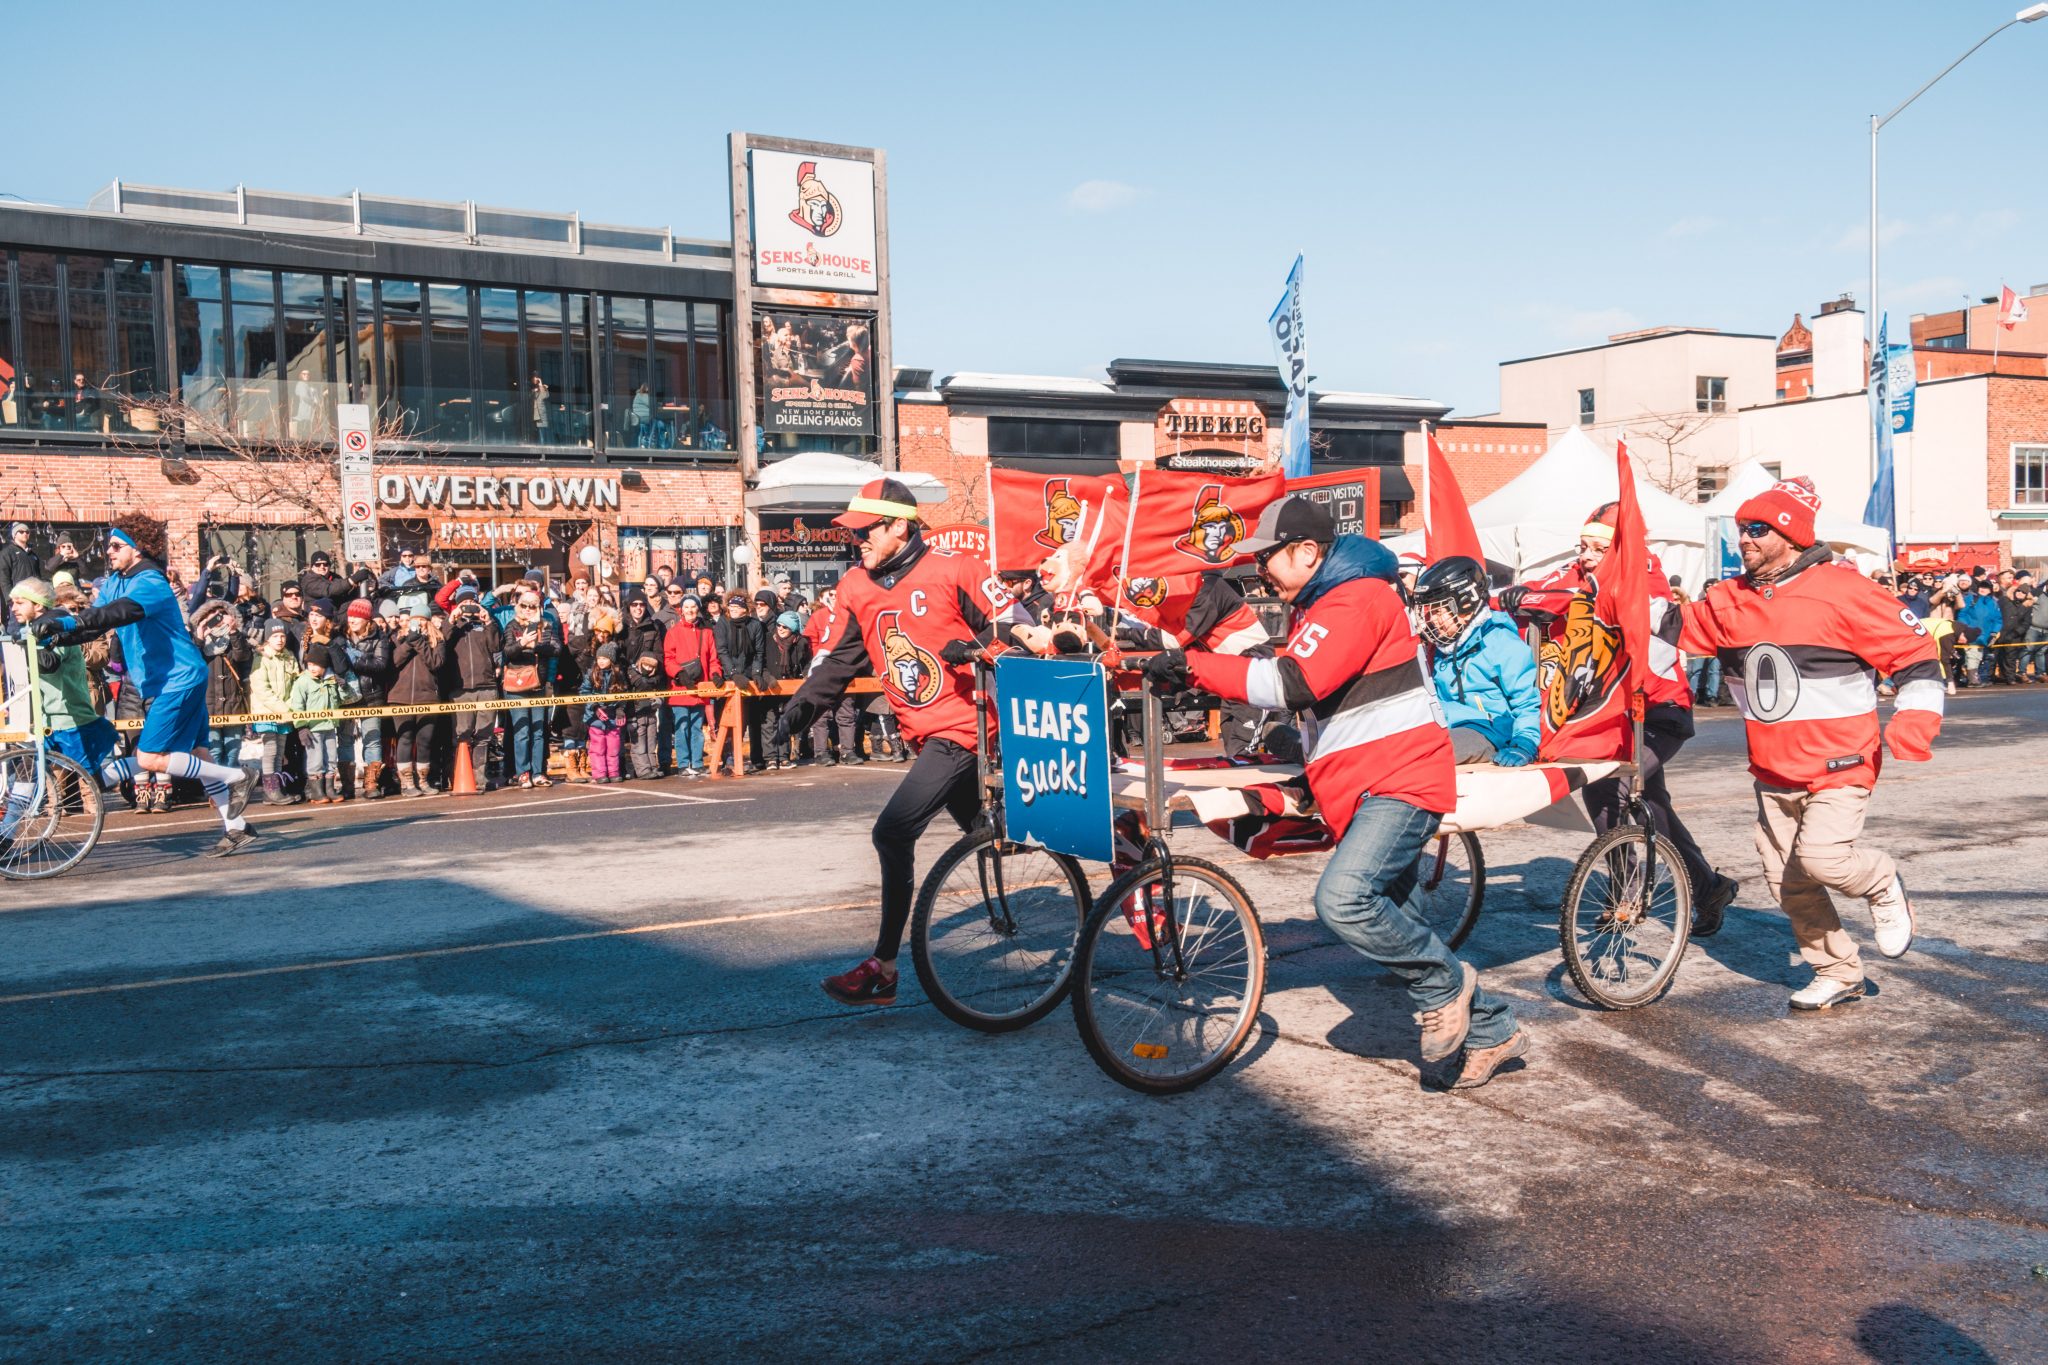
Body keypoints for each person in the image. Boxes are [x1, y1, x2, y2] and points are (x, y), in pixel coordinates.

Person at [1145, 497, 1527, 1087]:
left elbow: (1296, 682)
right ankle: (1494, 1030)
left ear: (1305, 551)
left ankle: (1445, 988)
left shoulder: (1358, 597)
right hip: (1364, 787)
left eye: (1267, 557)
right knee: (1402, 922)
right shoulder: (1327, 602)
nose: (1259, 570)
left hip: (1400, 782)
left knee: (1343, 901)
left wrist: (1192, 665)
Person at [1657, 479, 1939, 1011]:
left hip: (1841, 761)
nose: (1746, 539)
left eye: (1759, 529)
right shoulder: (1729, 599)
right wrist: (1606, 593)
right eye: (1742, 529)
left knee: (1824, 860)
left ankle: (1881, 881)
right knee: (1788, 881)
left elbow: (1916, 655)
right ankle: (1837, 971)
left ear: (1790, 535)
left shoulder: (1845, 589)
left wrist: (1915, 717)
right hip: (1772, 770)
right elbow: (1667, 627)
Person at [778, 479, 1031, 1005]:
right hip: (922, 733)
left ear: (899, 524)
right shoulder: (855, 586)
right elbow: (838, 659)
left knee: (892, 834)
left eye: (866, 530)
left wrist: (981, 646)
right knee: (989, 834)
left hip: (965, 727)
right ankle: (1057, 845)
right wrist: (802, 706)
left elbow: (1019, 625)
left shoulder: (955, 568)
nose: (858, 542)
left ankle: (884, 968)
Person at [1499, 504, 1738, 932]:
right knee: (1650, 803)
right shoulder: (1578, 571)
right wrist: (1509, 594)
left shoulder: (1645, 575)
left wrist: (1547, 599)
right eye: (1583, 546)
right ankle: (1707, 887)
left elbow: (1598, 603)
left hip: (1658, 711)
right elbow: (1532, 590)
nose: (1586, 556)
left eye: (1598, 548)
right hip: (1608, 714)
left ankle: (1627, 891)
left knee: (1615, 789)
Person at [42, 520, 258, 852]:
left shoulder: (150, 582)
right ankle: (236, 826)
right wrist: (59, 631)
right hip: (170, 679)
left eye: (116, 546)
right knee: (199, 753)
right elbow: (96, 621)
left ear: (136, 547)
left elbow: (119, 613)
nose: (108, 552)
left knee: (150, 755)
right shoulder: (117, 581)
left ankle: (237, 776)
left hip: (178, 679)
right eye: (107, 546)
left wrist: (66, 621)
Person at [5, 581, 120, 828]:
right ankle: (7, 835)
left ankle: (151, 761)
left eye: (20, 602)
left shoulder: (55, 627)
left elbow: (49, 664)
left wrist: (27, 642)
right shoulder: (32, 628)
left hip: (71, 719)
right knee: (26, 774)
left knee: (96, 778)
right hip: (47, 720)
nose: (13, 607)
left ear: (38, 605)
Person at [1411, 556, 1539, 767]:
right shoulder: (1442, 648)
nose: (1431, 620)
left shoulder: (1501, 644)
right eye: (1429, 612)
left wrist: (1525, 742)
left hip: (1487, 730)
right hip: (1445, 728)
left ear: (1465, 604)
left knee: (1426, 755)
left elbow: (1526, 702)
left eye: (1438, 610)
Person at [443, 585, 502, 789]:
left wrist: (489, 622)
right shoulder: (452, 624)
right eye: (464, 603)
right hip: (460, 688)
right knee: (462, 734)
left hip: (486, 685)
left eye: (472, 602)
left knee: (484, 735)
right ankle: (459, 775)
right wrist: (452, 619)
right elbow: (442, 643)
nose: (468, 606)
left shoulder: (484, 624)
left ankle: (480, 776)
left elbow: (495, 646)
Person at [336, 599, 394, 799]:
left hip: (371, 695)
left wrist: (354, 657)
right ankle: (347, 785)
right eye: (350, 616)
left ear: (366, 619)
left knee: (372, 740)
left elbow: (380, 666)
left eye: (357, 617)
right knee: (344, 740)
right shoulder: (341, 636)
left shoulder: (379, 637)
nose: (352, 620)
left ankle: (371, 783)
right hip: (346, 697)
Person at [388, 605, 445, 797]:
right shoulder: (397, 638)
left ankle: (423, 780)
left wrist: (420, 642)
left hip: (427, 697)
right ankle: (407, 783)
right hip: (400, 698)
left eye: (422, 619)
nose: (418, 622)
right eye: (415, 618)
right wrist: (408, 643)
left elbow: (435, 663)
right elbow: (394, 662)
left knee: (425, 740)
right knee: (404, 738)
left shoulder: (437, 640)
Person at [663, 593, 722, 778]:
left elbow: (713, 658)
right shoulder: (673, 632)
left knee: (697, 728)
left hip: (700, 687)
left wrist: (715, 675)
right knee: (682, 727)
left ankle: (696, 763)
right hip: (681, 687)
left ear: (698, 609)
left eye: (693, 607)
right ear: (681, 610)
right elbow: (668, 659)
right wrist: (679, 673)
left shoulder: (707, 633)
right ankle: (683, 763)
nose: (690, 610)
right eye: (686, 607)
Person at [191, 597, 251, 770]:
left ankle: (231, 787)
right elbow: (193, 661)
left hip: (234, 704)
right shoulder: (199, 643)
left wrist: (233, 631)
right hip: (208, 706)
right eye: (212, 615)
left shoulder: (236, 639)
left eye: (221, 614)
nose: (217, 619)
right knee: (214, 750)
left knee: (233, 750)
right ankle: (216, 788)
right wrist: (200, 634)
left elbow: (242, 657)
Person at [248, 625, 301, 804]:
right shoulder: (261, 658)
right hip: (266, 712)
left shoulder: (289, 656)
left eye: (282, 636)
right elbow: (261, 689)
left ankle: (277, 788)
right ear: (268, 639)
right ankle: (270, 789)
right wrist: (283, 710)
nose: (279, 639)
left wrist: (290, 706)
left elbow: (295, 683)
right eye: (275, 636)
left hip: (285, 712)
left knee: (280, 751)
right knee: (270, 750)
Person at [290, 644, 345, 804]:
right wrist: (301, 726)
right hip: (313, 728)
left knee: (331, 758)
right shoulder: (302, 681)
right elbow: (297, 706)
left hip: (329, 726)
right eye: (310, 664)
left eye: (318, 665)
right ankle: (316, 790)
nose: (313, 668)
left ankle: (329, 788)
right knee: (316, 759)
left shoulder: (331, 680)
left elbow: (341, 699)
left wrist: (343, 686)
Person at [763, 609, 812, 768]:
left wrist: (805, 675)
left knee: (785, 721)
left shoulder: (801, 642)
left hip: (791, 687)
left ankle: (784, 756)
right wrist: (767, 677)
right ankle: (770, 757)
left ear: (793, 628)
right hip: (771, 686)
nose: (781, 629)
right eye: (779, 625)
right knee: (770, 722)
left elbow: (807, 663)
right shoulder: (768, 640)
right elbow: (760, 662)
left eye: (785, 626)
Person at [581, 645, 627, 783]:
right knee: (598, 747)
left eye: (605, 658)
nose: (601, 661)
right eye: (599, 658)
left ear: (611, 660)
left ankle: (613, 772)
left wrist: (620, 710)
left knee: (613, 747)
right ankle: (600, 774)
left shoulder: (618, 674)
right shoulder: (591, 673)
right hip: (595, 718)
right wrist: (595, 707)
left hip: (613, 717)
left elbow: (623, 693)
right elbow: (584, 693)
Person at [624, 650, 666, 779]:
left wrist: (659, 700)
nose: (648, 668)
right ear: (640, 663)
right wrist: (630, 717)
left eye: (651, 667)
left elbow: (661, 692)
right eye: (646, 665)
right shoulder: (631, 676)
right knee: (639, 745)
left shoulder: (656, 679)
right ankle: (642, 770)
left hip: (651, 714)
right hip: (636, 715)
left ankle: (652, 767)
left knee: (651, 743)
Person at [1958, 581, 2001, 686]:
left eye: (1986, 588)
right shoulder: (1971, 599)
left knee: (1980, 656)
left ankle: (1974, 678)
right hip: (1971, 633)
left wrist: (1994, 633)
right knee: (1973, 655)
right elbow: (1962, 614)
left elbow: (1998, 619)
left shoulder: (1993, 603)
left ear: (1990, 590)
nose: (1983, 589)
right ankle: (1973, 680)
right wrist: (1966, 628)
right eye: (1981, 587)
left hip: (1985, 635)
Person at [0, 522, 40, 599]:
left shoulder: (33, 555)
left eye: (27, 532)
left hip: (34, 596)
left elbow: (38, 576)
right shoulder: (7, 553)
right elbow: (4, 578)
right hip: (18, 597)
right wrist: (10, 599)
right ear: (14, 535)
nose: (25, 533)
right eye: (21, 532)